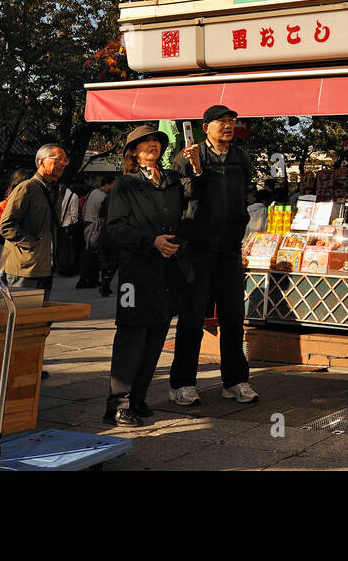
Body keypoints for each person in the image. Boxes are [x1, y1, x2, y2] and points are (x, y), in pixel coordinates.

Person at [174, 105, 257, 404]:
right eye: (221, 122)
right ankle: (181, 383)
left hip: (230, 248)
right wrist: (197, 168)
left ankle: (235, 380)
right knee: (193, 318)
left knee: (234, 317)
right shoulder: (188, 157)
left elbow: (243, 194)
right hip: (197, 249)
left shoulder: (240, 157)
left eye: (231, 121)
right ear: (205, 126)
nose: (228, 126)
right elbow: (186, 194)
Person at [104, 126, 183, 427]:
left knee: (155, 336)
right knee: (131, 336)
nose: (152, 145)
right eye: (144, 143)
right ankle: (118, 405)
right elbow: (115, 229)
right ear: (133, 152)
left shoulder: (172, 182)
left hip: (166, 272)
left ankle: (138, 398)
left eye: (156, 141)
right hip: (135, 273)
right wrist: (151, 241)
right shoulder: (125, 185)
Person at [0, 144, 69, 292]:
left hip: (45, 266)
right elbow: (6, 225)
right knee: (21, 313)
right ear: (41, 162)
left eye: (65, 160)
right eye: (58, 159)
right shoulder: (27, 188)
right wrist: (32, 245)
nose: (62, 164)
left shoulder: (55, 191)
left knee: (39, 314)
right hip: (23, 268)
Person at [78, 174, 115, 289]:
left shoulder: (93, 192)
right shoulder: (102, 196)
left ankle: (88, 279)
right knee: (93, 255)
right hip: (95, 226)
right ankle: (89, 279)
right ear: (108, 184)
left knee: (90, 254)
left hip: (89, 224)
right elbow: (104, 213)